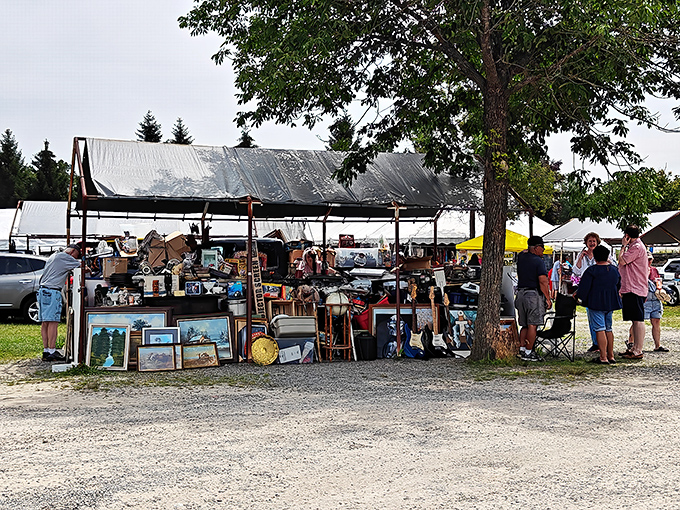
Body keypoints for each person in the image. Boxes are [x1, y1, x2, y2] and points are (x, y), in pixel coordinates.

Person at [574, 245, 622, 364]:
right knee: (609, 329)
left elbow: (584, 288)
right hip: (610, 302)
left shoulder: (592, 270)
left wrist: (578, 296)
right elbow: (618, 285)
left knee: (599, 329)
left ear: (595, 257)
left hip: (596, 302)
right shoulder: (614, 270)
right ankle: (611, 356)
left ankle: (603, 357)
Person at [38, 244, 83, 362]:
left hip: (43, 291)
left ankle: (46, 350)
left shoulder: (54, 255)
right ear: (73, 251)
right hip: (53, 292)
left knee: (45, 322)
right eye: (76, 255)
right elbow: (82, 267)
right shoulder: (65, 257)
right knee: (53, 322)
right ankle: (52, 352)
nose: (74, 258)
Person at [516, 235, 552, 362]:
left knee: (524, 324)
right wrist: (548, 298)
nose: (543, 251)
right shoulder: (538, 261)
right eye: (542, 248)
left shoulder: (521, 258)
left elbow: (523, 252)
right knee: (533, 324)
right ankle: (529, 352)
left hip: (520, 294)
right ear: (536, 248)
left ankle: (521, 349)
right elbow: (543, 281)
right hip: (533, 295)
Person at [628, 252, 669, 353]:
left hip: (655, 299)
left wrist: (659, 286)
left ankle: (657, 345)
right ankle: (631, 342)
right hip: (644, 300)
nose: (649, 261)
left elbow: (658, 282)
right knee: (638, 321)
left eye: (650, 259)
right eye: (647, 259)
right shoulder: (637, 270)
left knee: (656, 321)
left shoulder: (654, 270)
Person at [618, 225, 648, 360]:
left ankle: (638, 350)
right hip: (632, 287)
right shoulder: (636, 246)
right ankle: (634, 348)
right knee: (635, 319)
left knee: (638, 319)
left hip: (635, 287)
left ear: (627, 236)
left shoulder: (636, 247)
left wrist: (623, 246)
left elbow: (622, 261)